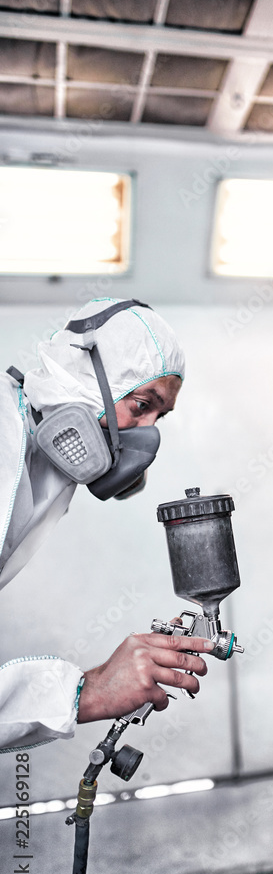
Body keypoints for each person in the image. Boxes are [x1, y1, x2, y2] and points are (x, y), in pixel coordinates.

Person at [0, 297, 214, 752]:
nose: (146, 434)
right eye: (141, 404)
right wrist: (88, 690)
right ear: (86, 374)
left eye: (160, 418)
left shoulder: (41, 465)